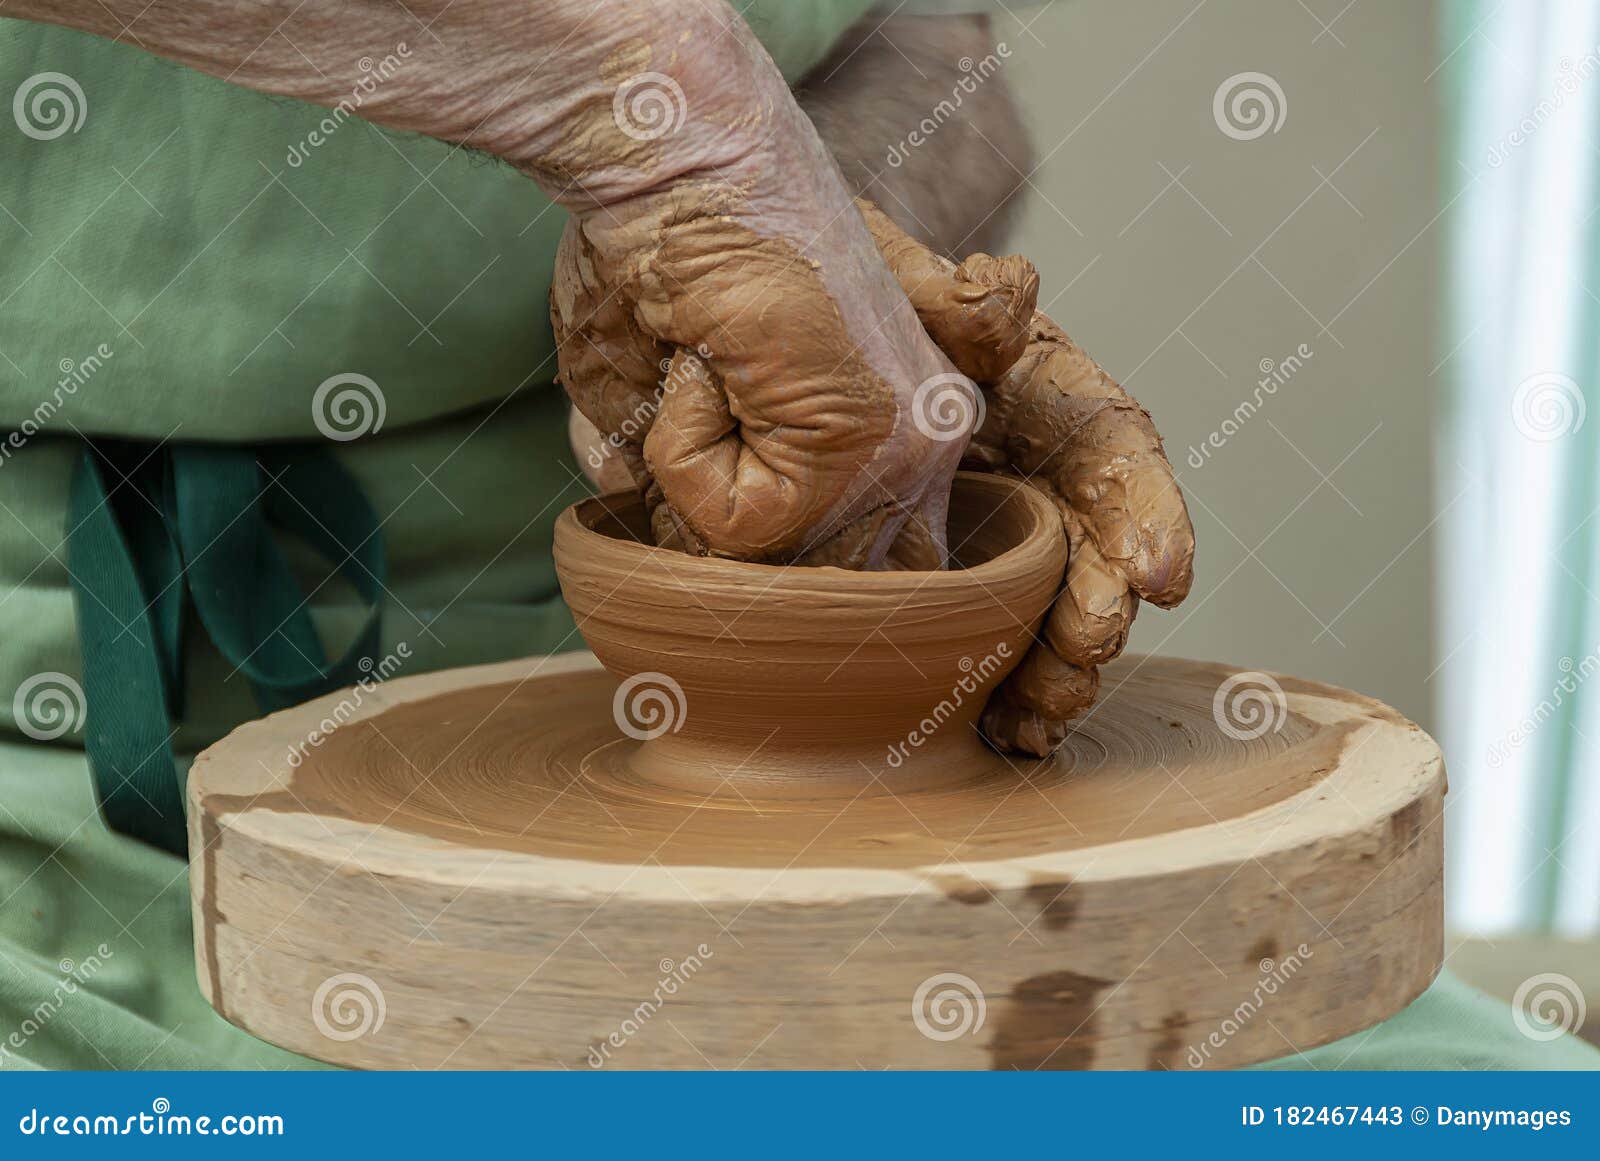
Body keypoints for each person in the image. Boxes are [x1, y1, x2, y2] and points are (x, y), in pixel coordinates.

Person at [0, 0, 1592, 1071]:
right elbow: (689, 104)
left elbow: (924, 41)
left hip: (666, 688)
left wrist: (842, 248)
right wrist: (666, 126)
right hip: (51, 723)